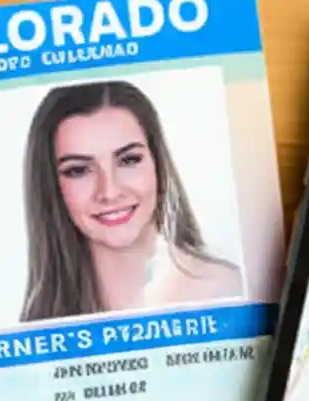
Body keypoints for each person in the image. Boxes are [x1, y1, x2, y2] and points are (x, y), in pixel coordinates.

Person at [20, 80, 243, 323]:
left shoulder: (226, 291)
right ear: (51, 185)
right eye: (79, 170)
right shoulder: (37, 322)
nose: (110, 191)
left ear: (157, 162)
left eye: (128, 160)